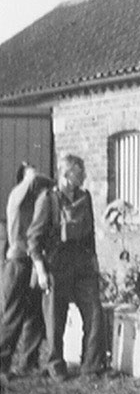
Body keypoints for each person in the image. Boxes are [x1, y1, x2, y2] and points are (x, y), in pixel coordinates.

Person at [28, 155, 105, 380]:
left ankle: (91, 366)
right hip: (55, 264)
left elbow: (90, 234)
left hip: (82, 264)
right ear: (66, 175)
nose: (84, 177)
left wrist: (95, 262)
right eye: (79, 173)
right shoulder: (48, 199)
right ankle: (55, 365)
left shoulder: (85, 197)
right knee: (55, 319)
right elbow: (33, 239)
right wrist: (41, 270)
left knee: (94, 313)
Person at [0, 164, 54, 382]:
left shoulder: (34, 203)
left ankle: (27, 364)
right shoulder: (16, 197)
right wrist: (30, 172)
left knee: (35, 315)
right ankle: (2, 365)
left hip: (32, 262)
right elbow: (32, 180)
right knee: (12, 316)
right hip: (18, 263)